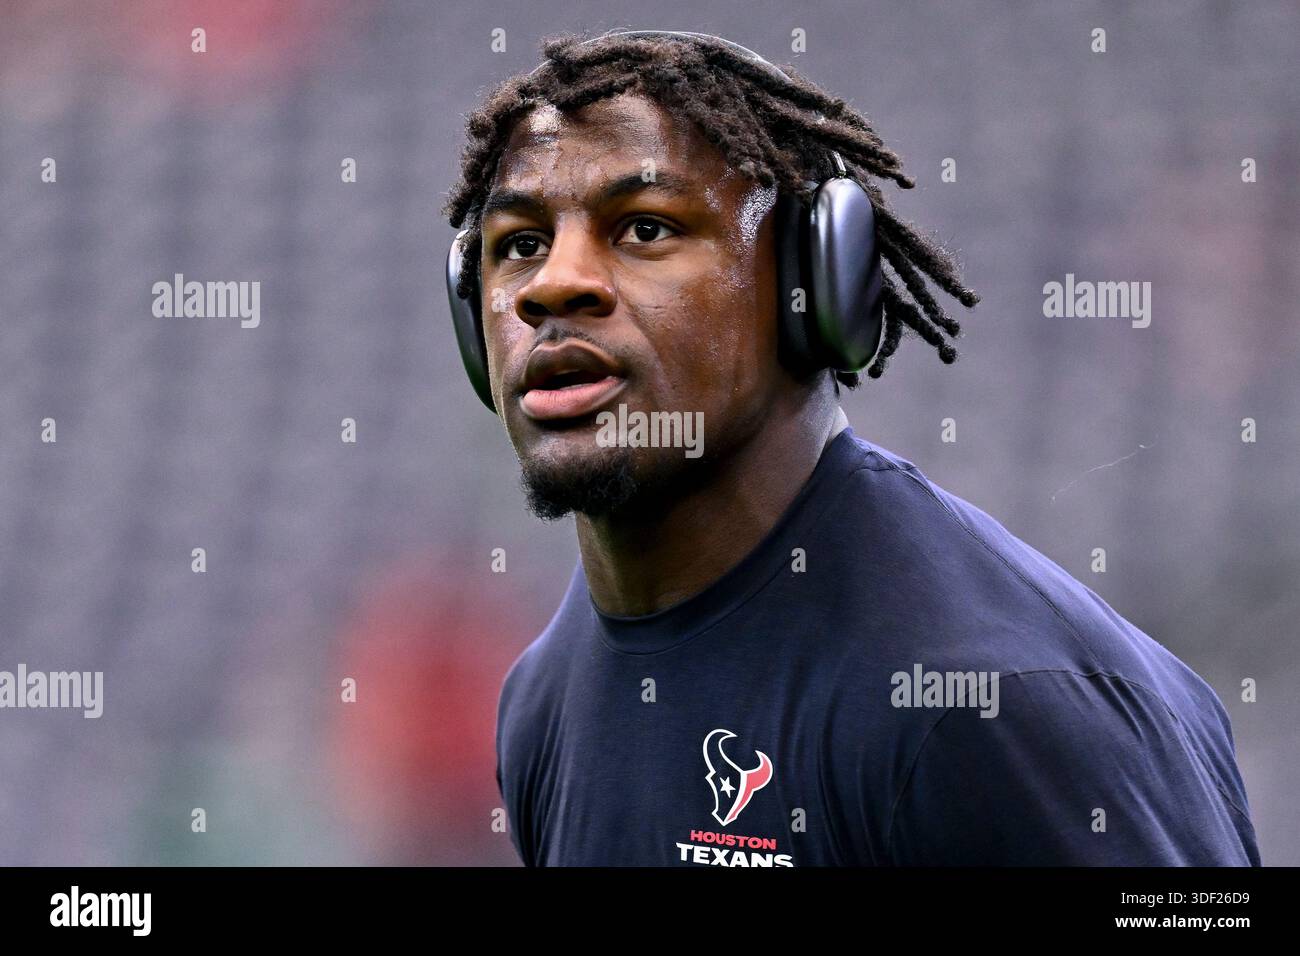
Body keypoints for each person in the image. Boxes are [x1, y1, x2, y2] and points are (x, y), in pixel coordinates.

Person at [442, 31, 1260, 866]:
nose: (551, 284)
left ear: (817, 288)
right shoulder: (545, 701)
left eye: (646, 227)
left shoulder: (994, 705)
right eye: (520, 244)